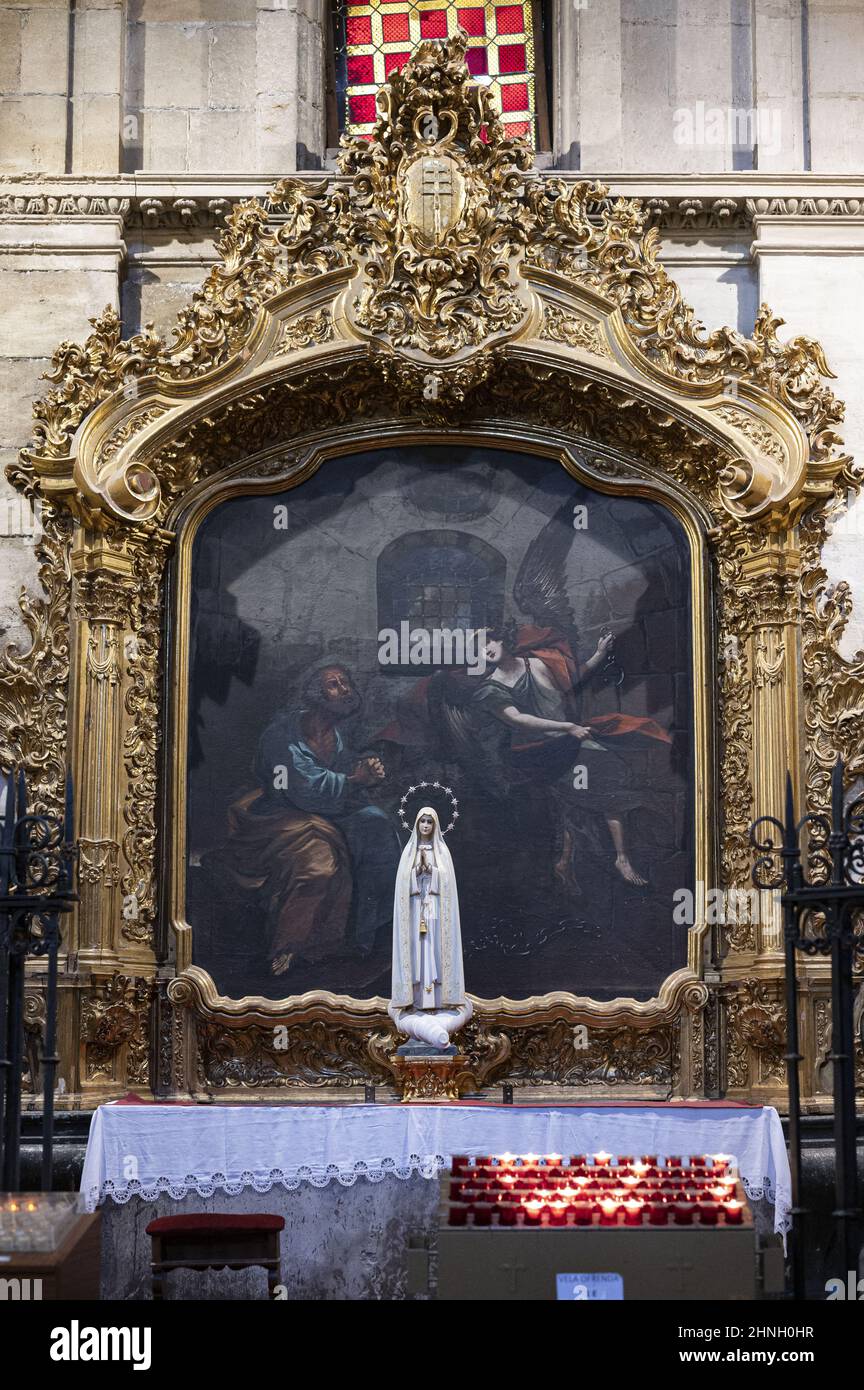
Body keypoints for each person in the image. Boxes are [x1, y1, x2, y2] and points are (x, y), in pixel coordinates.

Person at [224, 663, 401, 975]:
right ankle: (292, 945)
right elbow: (302, 789)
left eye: (345, 682)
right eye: (334, 685)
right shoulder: (282, 736)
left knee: (378, 826)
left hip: (322, 809)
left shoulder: (334, 734)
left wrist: (367, 771)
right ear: (315, 696)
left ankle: (368, 932)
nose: (344, 690)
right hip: (280, 816)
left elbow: (343, 771)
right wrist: (356, 780)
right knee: (321, 865)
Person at [474, 623, 671, 886]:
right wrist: (568, 727)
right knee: (598, 783)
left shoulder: (537, 664)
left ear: (503, 640)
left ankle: (567, 862)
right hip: (538, 753)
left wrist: (599, 654)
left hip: (570, 739)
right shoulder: (489, 688)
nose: (485, 649)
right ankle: (619, 858)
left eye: (489, 641)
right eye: (479, 647)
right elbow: (519, 720)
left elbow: (572, 679)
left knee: (588, 791)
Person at [389, 806, 472, 1049]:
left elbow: (446, 883)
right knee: (417, 951)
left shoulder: (441, 852)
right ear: (416, 825)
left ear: (435, 825)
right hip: (416, 910)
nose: (425, 826)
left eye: (429, 822)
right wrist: (416, 873)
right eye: (422, 822)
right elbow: (403, 883)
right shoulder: (409, 853)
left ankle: (438, 1000)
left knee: (433, 949)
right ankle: (415, 1000)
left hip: (434, 911)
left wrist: (433, 872)